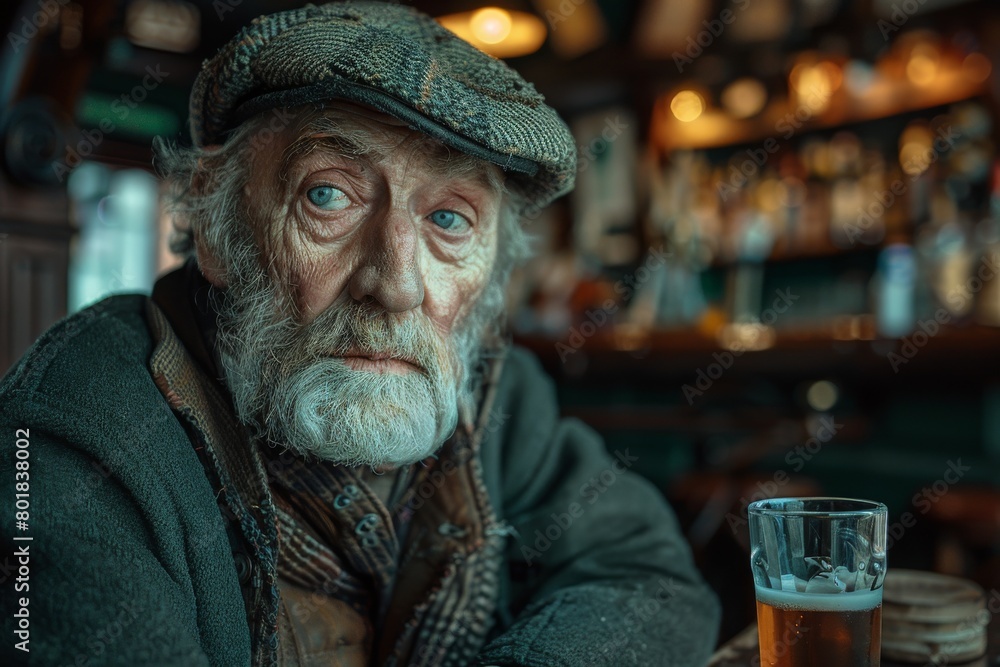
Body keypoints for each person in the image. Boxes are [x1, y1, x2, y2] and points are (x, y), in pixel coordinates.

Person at [0, 2, 720, 665]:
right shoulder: (70, 431)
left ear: (490, 279)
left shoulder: (496, 400)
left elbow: (652, 580)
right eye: (328, 195)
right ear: (216, 231)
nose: (396, 282)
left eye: (449, 219)